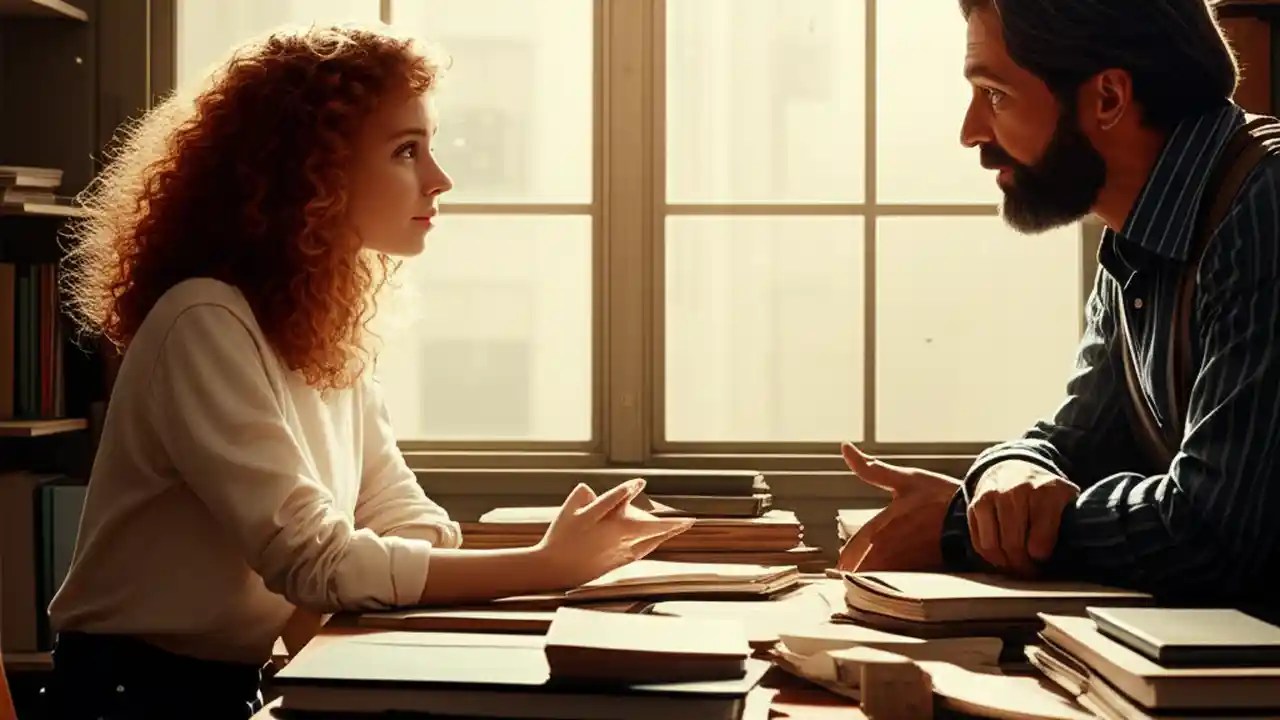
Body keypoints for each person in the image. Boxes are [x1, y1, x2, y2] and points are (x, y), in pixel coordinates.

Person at [42, 23, 692, 719]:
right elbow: (315, 562)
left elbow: (406, 518)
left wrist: (362, 571)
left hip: (234, 686)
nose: (440, 179)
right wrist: (545, 564)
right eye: (407, 150)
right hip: (132, 700)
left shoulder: (316, 325)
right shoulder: (204, 321)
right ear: (310, 174)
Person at [839, 0, 1280, 604]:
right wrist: (1006, 473)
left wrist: (965, 526)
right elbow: (1075, 445)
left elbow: (1214, 532)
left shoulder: (1266, 208)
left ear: (1107, 98)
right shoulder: (1142, 230)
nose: (971, 131)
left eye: (994, 94)